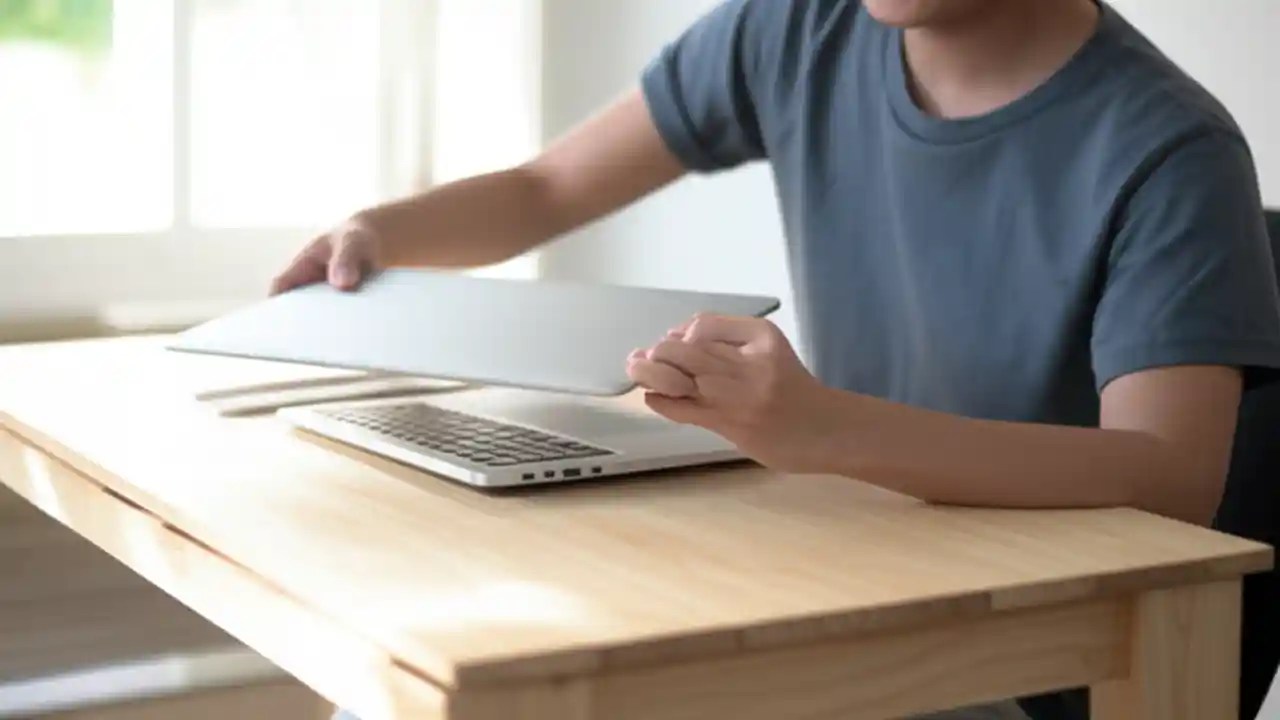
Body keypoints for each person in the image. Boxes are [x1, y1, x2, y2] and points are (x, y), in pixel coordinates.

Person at [279, 1, 1280, 719]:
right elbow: (546, 188)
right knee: (427, 674)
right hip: (835, 580)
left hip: (1030, 655)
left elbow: (1168, 476)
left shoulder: (1168, 150)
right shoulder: (802, 27)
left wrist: (824, 427)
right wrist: (379, 230)